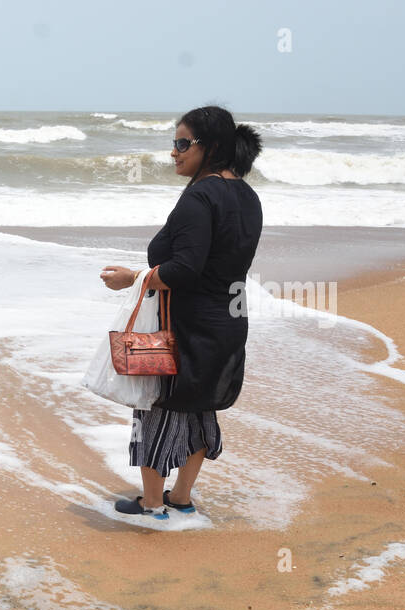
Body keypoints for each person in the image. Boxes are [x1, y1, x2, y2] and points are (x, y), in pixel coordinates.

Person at [99, 105, 263, 520]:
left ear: (212, 148)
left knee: (155, 406)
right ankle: (182, 497)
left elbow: (184, 270)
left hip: (183, 324)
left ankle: (153, 504)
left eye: (182, 143)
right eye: (174, 143)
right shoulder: (247, 196)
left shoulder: (200, 196)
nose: (174, 152)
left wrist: (133, 278)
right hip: (229, 320)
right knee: (201, 407)